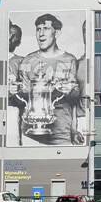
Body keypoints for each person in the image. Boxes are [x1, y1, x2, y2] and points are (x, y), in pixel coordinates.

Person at [12, 14, 81, 145]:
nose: (41, 34)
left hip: (61, 134)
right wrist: (14, 91)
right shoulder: (28, 61)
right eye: (38, 29)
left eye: (46, 28)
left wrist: (70, 91)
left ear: (57, 32)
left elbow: (75, 99)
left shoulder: (69, 60)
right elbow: (20, 98)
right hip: (29, 134)